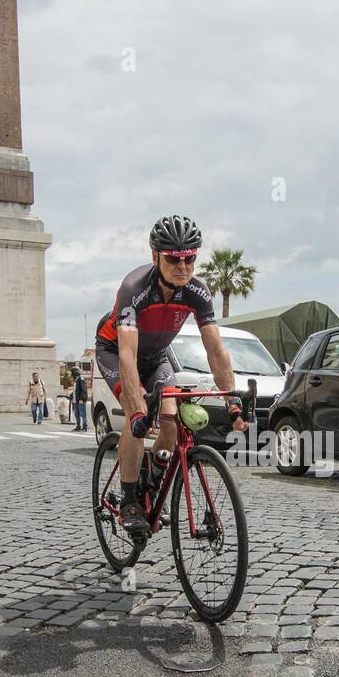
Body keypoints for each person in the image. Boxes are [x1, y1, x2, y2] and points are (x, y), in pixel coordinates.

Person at [95, 213, 247, 534]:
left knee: (171, 424)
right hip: (116, 350)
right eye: (174, 260)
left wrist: (232, 399)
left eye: (190, 259)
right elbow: (127, 354)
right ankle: (130, 500)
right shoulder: (134, 289)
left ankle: (154, 474)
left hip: (157, 356)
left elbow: (216, 351)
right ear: (155, 257)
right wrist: (136, 410)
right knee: (137, 424)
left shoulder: (197, 292)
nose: (183, 267)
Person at [71, 368, 88, 432]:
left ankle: (84, 427)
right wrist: (71, 396)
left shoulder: (81, 379)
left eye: (72, 372)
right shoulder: (76, 380)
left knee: (83, 414)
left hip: (80, 400)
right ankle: (78, 426)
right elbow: (76, 390)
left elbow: (84, 390)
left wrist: (81, 399)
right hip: (75, 400)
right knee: (76, 414)